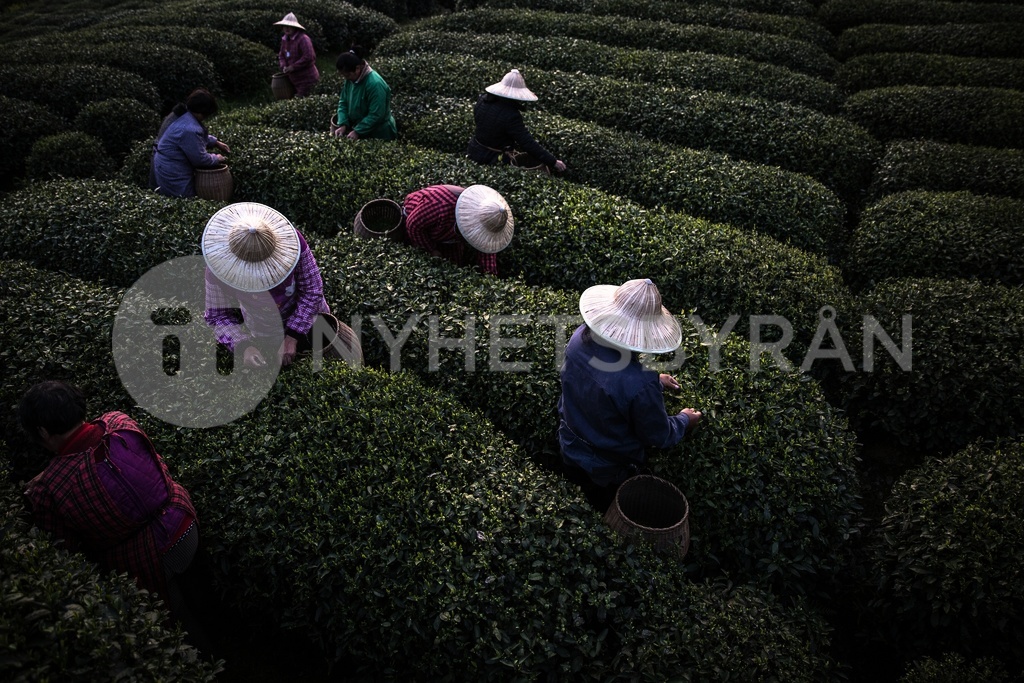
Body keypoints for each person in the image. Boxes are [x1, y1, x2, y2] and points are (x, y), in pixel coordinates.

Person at [18, 380, 200, 629]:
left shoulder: (47, 488)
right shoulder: (120, 422)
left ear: (42, 432)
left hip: (148, 561)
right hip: (185, 522)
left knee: (177, 616)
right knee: (196, 589)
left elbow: (67, 553)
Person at [558, 278, 702, 513]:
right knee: (603, 509)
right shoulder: (640, 384)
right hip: (607, 470)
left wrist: (655, 381)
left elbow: (604, 383)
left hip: (569, 445)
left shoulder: (578, 338)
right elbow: (657, 435)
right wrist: (685, 420)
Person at [202, 202, 360, 368]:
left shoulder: (294, 243)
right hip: (263, 330)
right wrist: (243, 346)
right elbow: (217, 316)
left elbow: (312, 290)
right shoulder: (217, 271)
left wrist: (292, 336)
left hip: (312, 321)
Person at [467, 69, 566, 174]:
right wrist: (553, 161)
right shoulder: (511, 115)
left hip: (474, 149)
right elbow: (527, 142)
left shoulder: (482, 100)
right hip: (492, 158)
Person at [401, 184, 514, 276]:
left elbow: (486, 250)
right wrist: (432, 250)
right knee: (427, 265)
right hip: (419, 227)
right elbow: (413, 225)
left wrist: (490, 277)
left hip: (448, 235)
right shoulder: (441, 205)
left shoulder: (487, 221)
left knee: (453, 266)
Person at [152, 88, 229, 198]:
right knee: (185, 198)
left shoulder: (186, 115)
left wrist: (216, 142)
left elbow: (196, 139)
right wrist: (217, 158)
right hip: (173, 172)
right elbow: (201, 159)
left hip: (168, 164)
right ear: (201, 112)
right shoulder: (189, 129)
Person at [332, 45, 397, 141]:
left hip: (379, 133)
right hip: (360, 129)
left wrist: (358, 131)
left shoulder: (375, 84)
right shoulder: (350, 80)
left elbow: (376, 114)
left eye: (348, 75)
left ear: (357, 68)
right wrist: (343, 124)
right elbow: (343, 102)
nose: (346, 78)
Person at [275, 12, 320, 97]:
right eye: (285, 26)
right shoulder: (284, 39)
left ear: (295, 27)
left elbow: (309, 57)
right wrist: (283, 65)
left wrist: (293, 67)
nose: (287, 28)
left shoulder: (303, 39)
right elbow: (281, 55)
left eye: (290, 26)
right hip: (293, 80)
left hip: (307, 79)